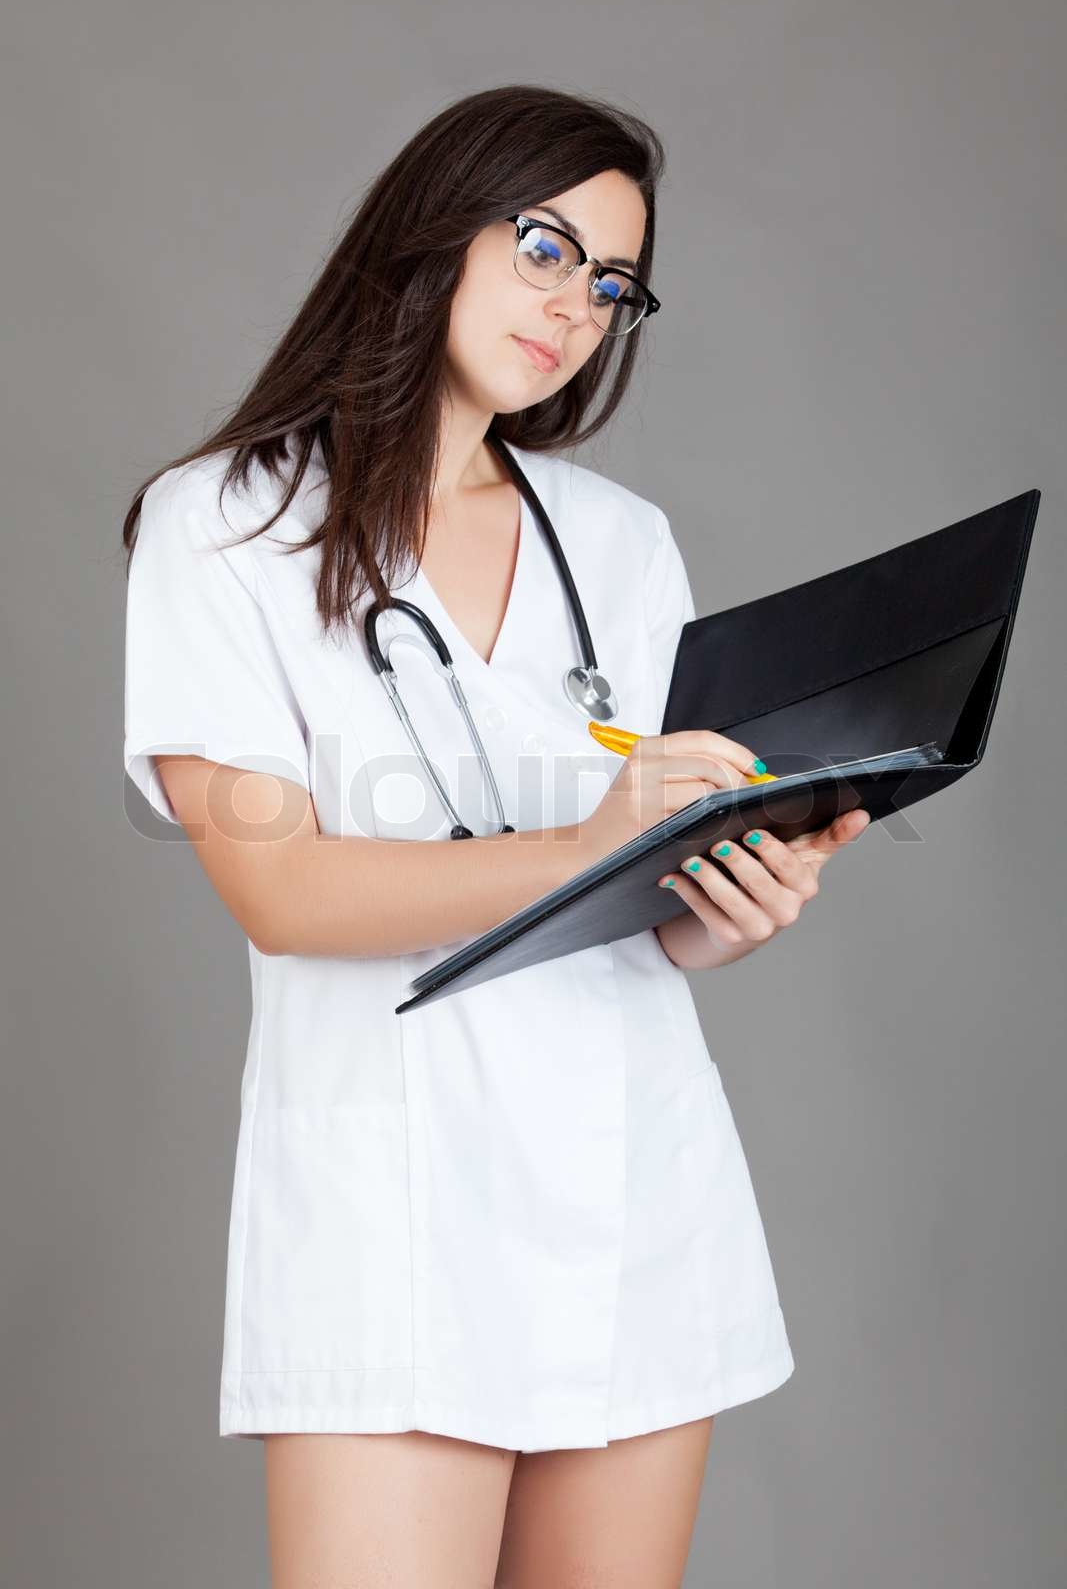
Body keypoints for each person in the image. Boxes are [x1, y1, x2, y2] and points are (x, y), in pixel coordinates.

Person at [121, 83, 869, 1589]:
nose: (578, 306)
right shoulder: (224, 526)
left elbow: (650, 898)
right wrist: (596, 837)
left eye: (612, 284)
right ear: (432, 227)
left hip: (630, 1202)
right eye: (545, 246)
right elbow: (278, 887)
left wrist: (727, 899)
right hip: (390, 1225)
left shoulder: (623, 542)